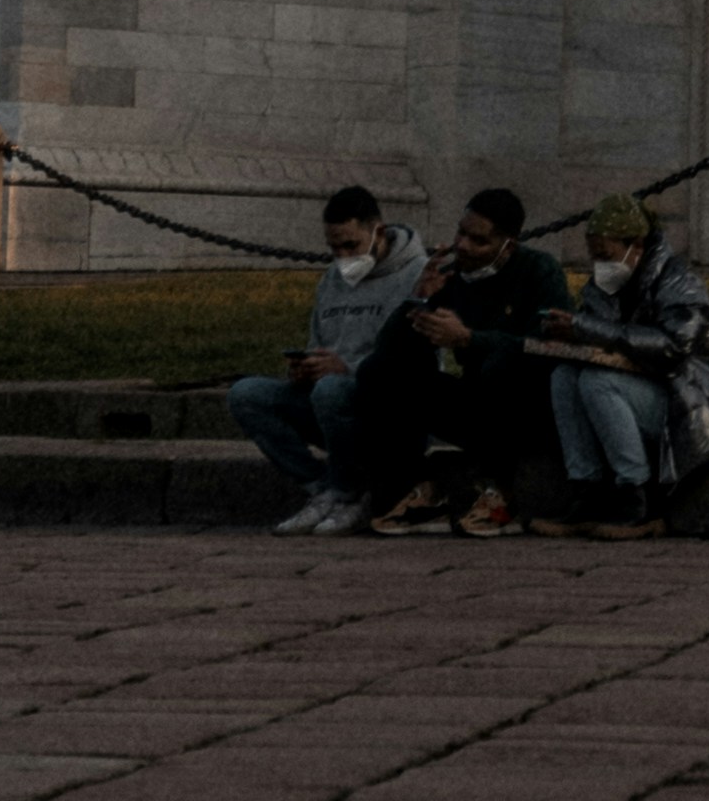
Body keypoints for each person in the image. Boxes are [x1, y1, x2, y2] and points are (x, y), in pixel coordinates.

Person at [225, 186, 416, 543]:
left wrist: (347, 369)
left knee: (332, 389)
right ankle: (323, 488)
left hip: (385, 405)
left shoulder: (418, 275)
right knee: (246, 395)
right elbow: (319, 344)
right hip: (328, 399)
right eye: (334, 248)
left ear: (378, 231)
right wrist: (305, 370)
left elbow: (414, 362)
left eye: (351, 246)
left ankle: (349, 493)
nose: (343, 256)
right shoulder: (332, 277)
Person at [378, 180, 569, 534]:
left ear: (507, 246)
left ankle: (502, 493)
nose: (463, 246)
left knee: (500, 366)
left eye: (478, 240)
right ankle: (418, 487)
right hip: (477, 401)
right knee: (382, 372)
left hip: (529, 408)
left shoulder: (539, 271)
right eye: (461, 233)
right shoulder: (452, 277)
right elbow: (389, 350)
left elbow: (546, 349)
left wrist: (470, 339)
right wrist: (418, 298)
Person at [533, 206, 709, 540]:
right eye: (595, 256)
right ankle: (586, 490)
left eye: (606, 255)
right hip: (638, 388)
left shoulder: (679, 283)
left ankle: (637, 496)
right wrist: (567, 334)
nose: (600, 265)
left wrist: (588, 329)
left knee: (597, 382)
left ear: (636, 245)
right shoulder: (604, 286)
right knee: (564, 376)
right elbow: (598, 332)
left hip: (690, 402)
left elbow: (675, 345)